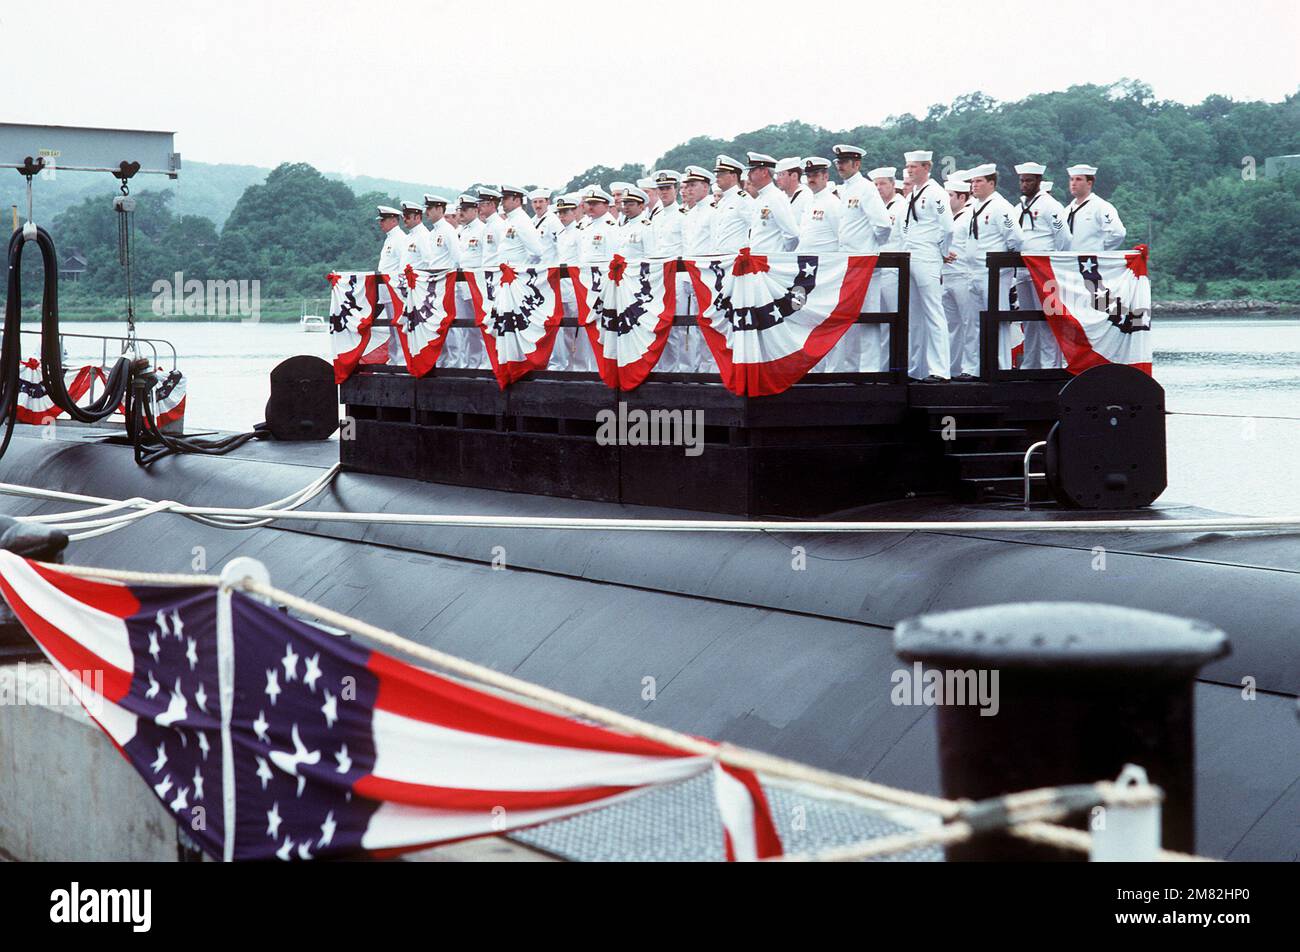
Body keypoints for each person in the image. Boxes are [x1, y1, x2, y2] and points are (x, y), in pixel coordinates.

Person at [833, 145, 893, 372]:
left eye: (845, 162)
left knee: (868, 315)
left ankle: (870, 370)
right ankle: (850, 369)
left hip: (865, 261)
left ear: (856, 164)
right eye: (838, 162)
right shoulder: (845, 189)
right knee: (848, 316)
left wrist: (871, 248)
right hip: (847, 262)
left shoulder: (866, 188)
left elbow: (883, 225)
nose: (840, 166)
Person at [963, 163, 1024, 370]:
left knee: (997, 319)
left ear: (991, 183)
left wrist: (1004, 262)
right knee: (973, 322)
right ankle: (973, 368)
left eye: (979, 181)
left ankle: (1000, 366)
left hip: (993, 272)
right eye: (972, 182)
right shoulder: (973, 207)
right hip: (973, 270)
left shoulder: (1001, 207)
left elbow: (1015, 238)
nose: (974, 185)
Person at [899, 150, 953, 381]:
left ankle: (940, 370)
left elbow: (948, 227)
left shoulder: (935, 193)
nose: (910, 170)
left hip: (927, 255)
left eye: (915, 166)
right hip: (911, 253)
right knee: (915, 315)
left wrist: (941, 252)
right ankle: (916, 369)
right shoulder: (915, 193)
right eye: (908, 166)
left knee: (933, 312)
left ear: (926, 167)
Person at [1013, 161, 1070, 369]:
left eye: (1029, 180)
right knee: (1028, 320)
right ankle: (1030, 364)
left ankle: (1049, 365)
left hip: (1043, 269)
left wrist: (1053, 261)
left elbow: (1064, 237)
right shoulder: (1019, 207)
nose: (1025, 184)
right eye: (1022, 180)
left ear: (1038, 181)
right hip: (1022, 269)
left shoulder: (1050, 206)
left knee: (1047, 319)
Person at [574, 187, 620, 371]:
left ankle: (607, 369)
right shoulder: (585, 226)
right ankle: (594, 369)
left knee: (605, 329)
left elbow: (614, 258)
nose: (590, 207)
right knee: (590, 329)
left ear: (606, 205)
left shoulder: (611, 227)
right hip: (587, 285)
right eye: (588, 203)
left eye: (595, 204)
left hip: (603, 286)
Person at [677, 165, 715, 372]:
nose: (688, 190)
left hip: (706, 275)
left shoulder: (713, 212)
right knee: (687, 326)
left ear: (705, 188)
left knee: (707, 324)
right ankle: (690, 368)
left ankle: (710, 369)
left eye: (693, 185)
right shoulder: (689, 214)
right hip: (687, 276)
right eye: (687, 186)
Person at [941, 178, 979, 379]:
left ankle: (971, 367)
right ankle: (953, 367)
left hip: (963, 273)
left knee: (969, 323)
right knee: (952, 325)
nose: (946, 199)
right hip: (947, 275)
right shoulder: (947, 217)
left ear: (962, 197)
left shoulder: (970, 216)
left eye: (950, 195)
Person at [451, 194, 487, 369]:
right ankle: (470, 363)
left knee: (482, 326)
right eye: (459, 210)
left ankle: (485, 364)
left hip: (477, 284)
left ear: (475, 210)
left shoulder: (482, 230)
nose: (461, 213)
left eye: (465, 209)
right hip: (460, 284)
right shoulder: (459, 232)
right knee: (465, 328)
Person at [549, 193, 584, 369]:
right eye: (559, 213)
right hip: (561, 287)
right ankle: (566, 366)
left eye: (565, 212)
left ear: (574, 212)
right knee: (564, 330)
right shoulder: (560, 234)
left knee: (579, 330)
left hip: (574, 286)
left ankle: (580, 366)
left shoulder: (580, 233)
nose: (561, 216)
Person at [745, 151, 800, 253]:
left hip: (772, 262)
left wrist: (781, 255)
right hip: (758, 261)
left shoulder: (776, 197)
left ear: (764, 172)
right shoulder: (759, 198)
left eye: (752, 170)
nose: (748, 174)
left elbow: (792, 234)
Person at [1062, 163, 1126, 250]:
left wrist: (1099, 248)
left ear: (1089, 183)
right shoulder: (1067, 210)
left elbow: (1118, 233)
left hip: (1091, 260)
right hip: (1069, 260)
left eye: (1078, 179)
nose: (1073, 183)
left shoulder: (1101, 207)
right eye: (1071, 179)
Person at [710, 155, 753, 253]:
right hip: (719, 259)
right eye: (717, 174)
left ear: (733, 176)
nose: (717, 177)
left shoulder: (743, 199)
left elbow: (755, 227)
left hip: (735, 258)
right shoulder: (721, 202)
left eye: (721, 174)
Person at [496, 185, 545, 265]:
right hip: (508, 272)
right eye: (502, 199)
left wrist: (526, 266)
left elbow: (538, 250)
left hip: (518, 273)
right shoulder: (509, 220)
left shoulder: (522, 220)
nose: (502, 203)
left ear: (517, 200)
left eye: (505, 199)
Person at [423, 194, 462, 271]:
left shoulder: (448, 230)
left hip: (445, 277)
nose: (426, 212)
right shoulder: (432, 232)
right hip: (434, 276)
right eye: (426, 209)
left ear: (440, 209)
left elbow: (457, 258)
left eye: (429, 209)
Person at [618, 186, 657, 259]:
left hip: (638, 269)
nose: (626, 207)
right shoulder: (624, 227)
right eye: (625, 204)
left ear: (641, 206)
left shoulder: (647, 226)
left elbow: (650, 255)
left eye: (631, 204)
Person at [529, 188, 562, 264]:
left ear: (547, 202)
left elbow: (560, 247)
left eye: (541, 201)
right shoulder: (531, 221)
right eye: (535, 202)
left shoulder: (553, 221)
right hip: (536, 268)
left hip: (549, 267)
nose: (538, 205)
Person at [776, 156, 812, 223]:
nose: (777, 179)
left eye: (781, 174)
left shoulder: (806, 196)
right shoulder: (780, 197)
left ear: (794, 176)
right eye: (777, 175)